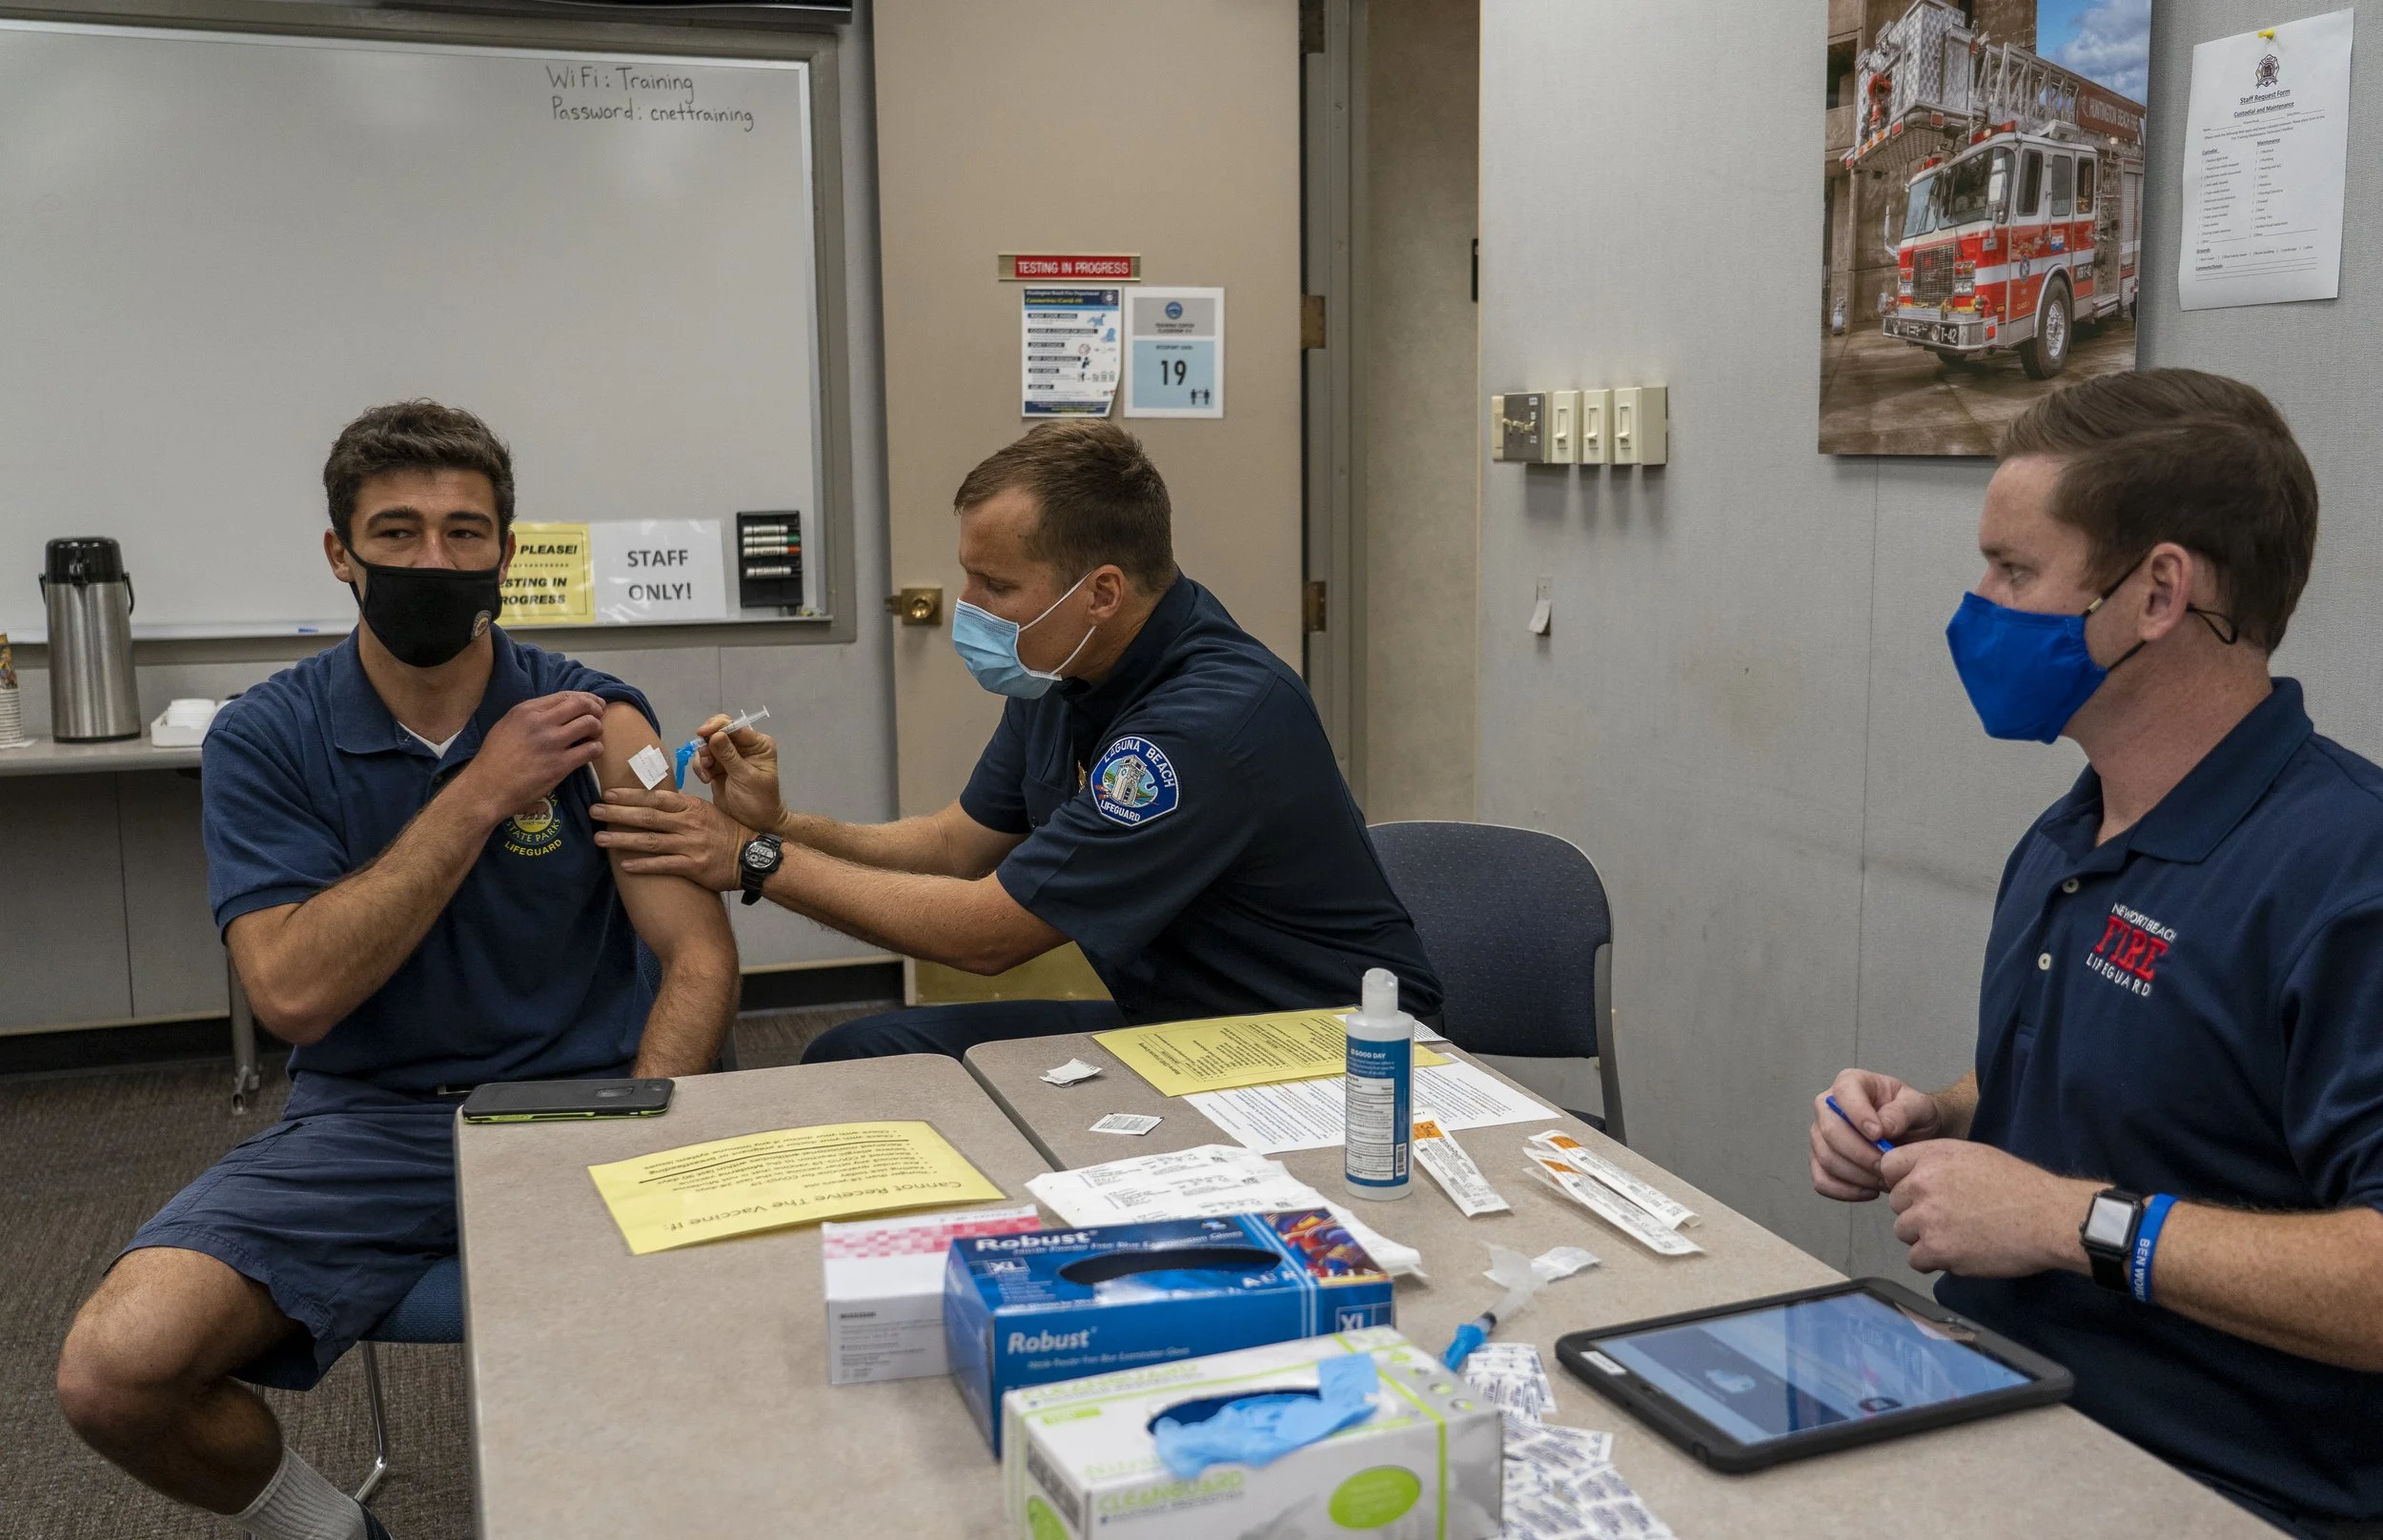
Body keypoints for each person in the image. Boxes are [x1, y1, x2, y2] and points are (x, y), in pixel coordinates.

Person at [54, 402, 740, 1540]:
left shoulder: (599, 721)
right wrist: (478, 790)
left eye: (467, 533)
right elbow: (292, 994)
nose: (436, 559)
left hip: (590, 1101)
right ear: (341, 554)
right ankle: (330, 1529)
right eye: (400, 531)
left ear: (507, 553)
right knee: (113, 1369)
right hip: (369, 1121)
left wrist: (646, 1120)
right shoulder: (267, 737)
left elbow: (697, 954)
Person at [1807, 370, 2383, 1537]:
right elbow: (2142, 1083)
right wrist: (1942, 1113)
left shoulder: (2344, 873)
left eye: (2015, 571)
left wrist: (2071, 1219)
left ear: (2158, 591)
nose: (1978, 604)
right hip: (1988, 1389)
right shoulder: (2077, 826)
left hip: (2208, 1478)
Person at [591, 419, 1440, 1057]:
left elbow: (986, 933)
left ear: (1101, 591)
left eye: (996, 583)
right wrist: (777, 826)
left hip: (1325, 1053)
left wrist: (750, 860)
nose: (968, 607)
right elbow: (955, 845)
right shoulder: (1062, 667)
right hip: (1187, 1025)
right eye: (968, 573)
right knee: (861, 1054)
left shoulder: (1208, 720)